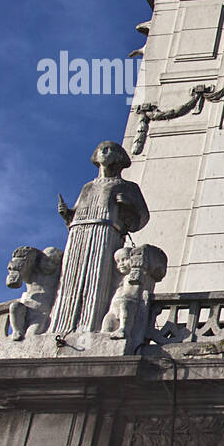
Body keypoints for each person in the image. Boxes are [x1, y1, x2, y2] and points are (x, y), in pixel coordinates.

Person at [49, 141, 150, 335]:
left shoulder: (127, 187)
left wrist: (128, 206)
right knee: (71, 277)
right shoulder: (88, 187)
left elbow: (142, 217)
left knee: (99, 275)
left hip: (105, 233)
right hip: (79, 235)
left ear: (120, 158)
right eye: (102, 149)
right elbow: (75, 215)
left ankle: (91, 324)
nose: (105, 152)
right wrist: (67, 215)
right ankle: (64, 325)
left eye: (110, 149)